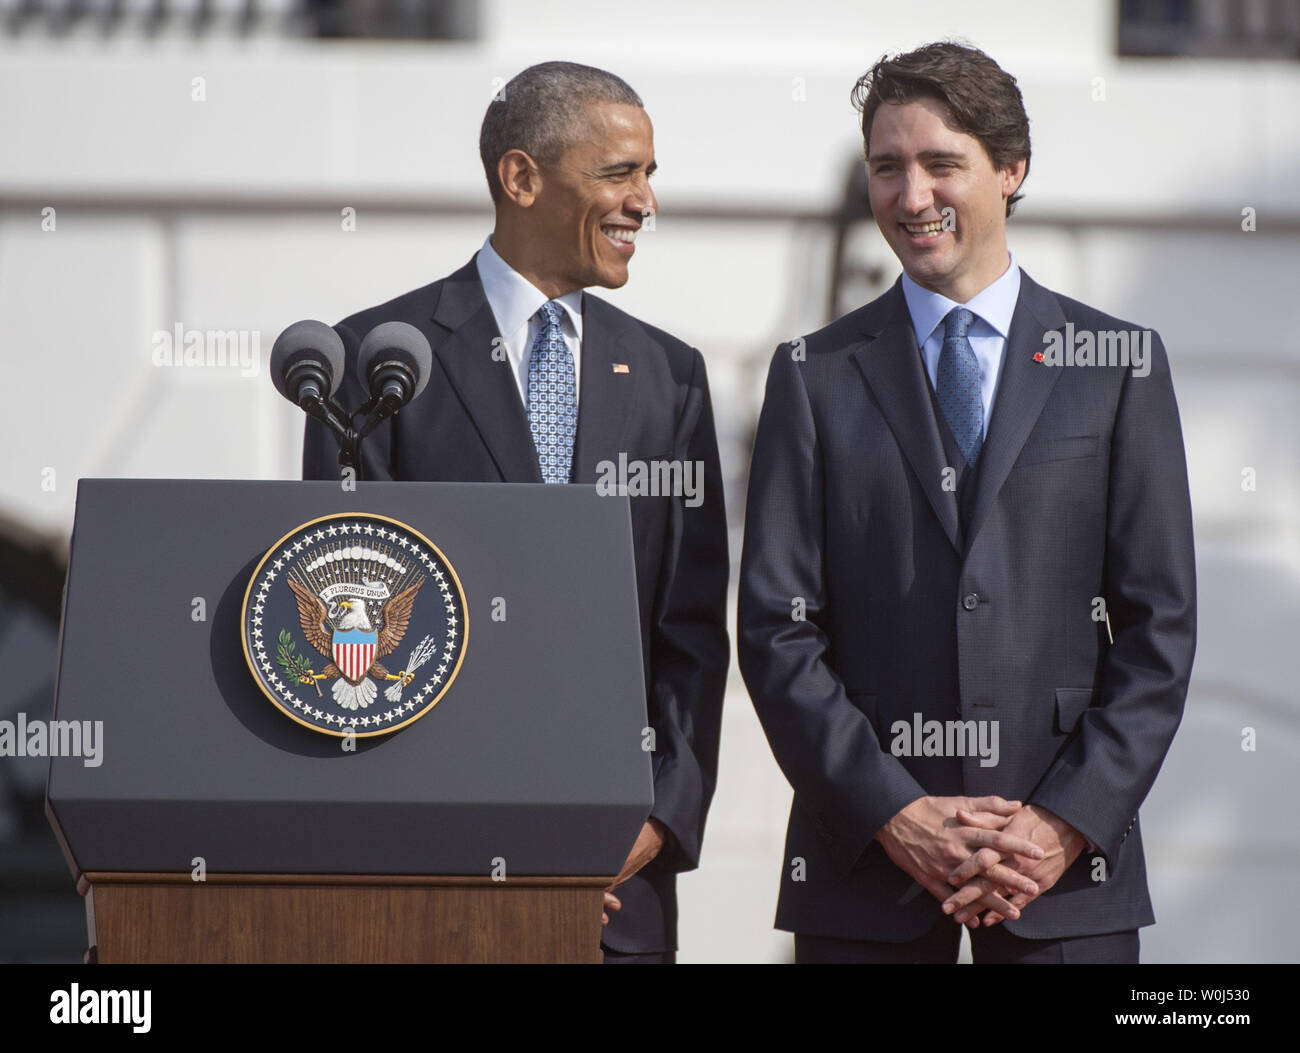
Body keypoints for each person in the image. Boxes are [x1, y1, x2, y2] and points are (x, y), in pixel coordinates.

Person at [737, 41, 1196, 964]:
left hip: (1062, 884)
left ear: (1011, 169)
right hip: (865, 879)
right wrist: (895, 813)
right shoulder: (810, 376)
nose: (912, 198)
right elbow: (777, 630)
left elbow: (1159, 630)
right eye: (887, 169)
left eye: (942, 164)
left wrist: (1063, 824)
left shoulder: (1118, 367)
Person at [303, 61, 729, 964]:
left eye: (650, 175)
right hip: (430, 890)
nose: (645, 202)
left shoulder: (669, 377)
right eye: (620, 174)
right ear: (523, 177)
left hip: (619, 895)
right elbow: (351, 634)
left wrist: (655, 821)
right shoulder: (379, 360)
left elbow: (690, 632)